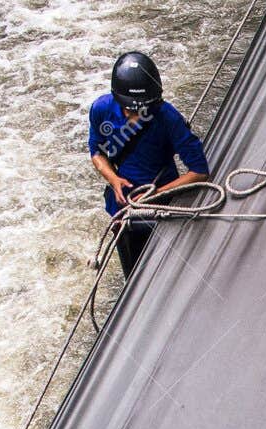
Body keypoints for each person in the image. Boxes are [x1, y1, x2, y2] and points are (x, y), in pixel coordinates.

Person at [88, 52, 210, 277]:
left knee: (171, 270)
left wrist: (158, 194)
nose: (132, 114)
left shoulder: (168, 118)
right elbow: (97, 153)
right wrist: (113, 179)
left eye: (138, 110)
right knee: (133, 272)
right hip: (125, 209)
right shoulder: (101, 110)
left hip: (164, 207)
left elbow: (199, 171)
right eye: (128, 109)